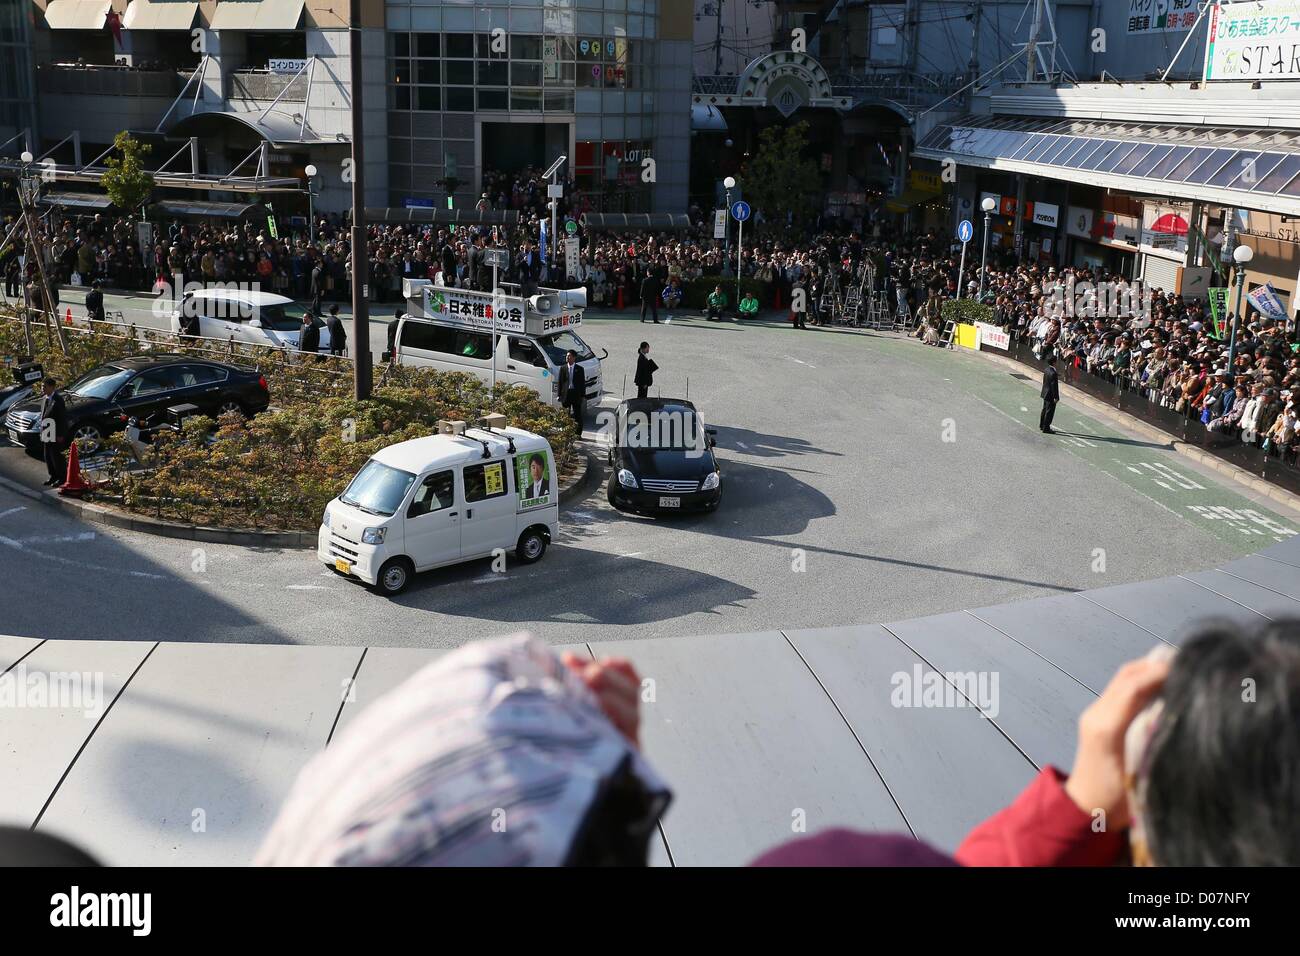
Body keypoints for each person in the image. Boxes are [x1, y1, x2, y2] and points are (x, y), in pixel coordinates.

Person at [39, 377, 67, 487]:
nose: (42, 388)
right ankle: (53, 475)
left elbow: (62, 418)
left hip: (55, 431)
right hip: (47, 430)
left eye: (44, 386)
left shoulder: (58, 400)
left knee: (56, 456)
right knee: (48, 455)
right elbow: (43, 415)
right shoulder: (45, 398)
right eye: (42, 386)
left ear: (51, 387)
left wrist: (60, 434)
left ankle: (61, 477)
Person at [557, 349, 585, 427]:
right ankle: (565, 432)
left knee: (577, 415)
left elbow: (582, 383)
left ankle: (578, 433)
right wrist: (559, 394)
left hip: (576, 394)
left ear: (574, 357)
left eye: (569, 356)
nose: (567, 357)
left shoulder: (579, 369)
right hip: (566, 394)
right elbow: (560, 382)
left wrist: (582, 396)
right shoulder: (563, 368)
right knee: (565, 415)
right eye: (567, 356)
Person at [1040, 353, 1059, 434]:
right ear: (1054, 362)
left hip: (1045, 392)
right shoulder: (1053, 373)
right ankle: (1046, 427)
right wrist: (1056, 397)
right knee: (1049, 412)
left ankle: (1042, 425)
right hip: (1050, 394)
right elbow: (1054, 386)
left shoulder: (1047, 369)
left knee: (1044, 409)